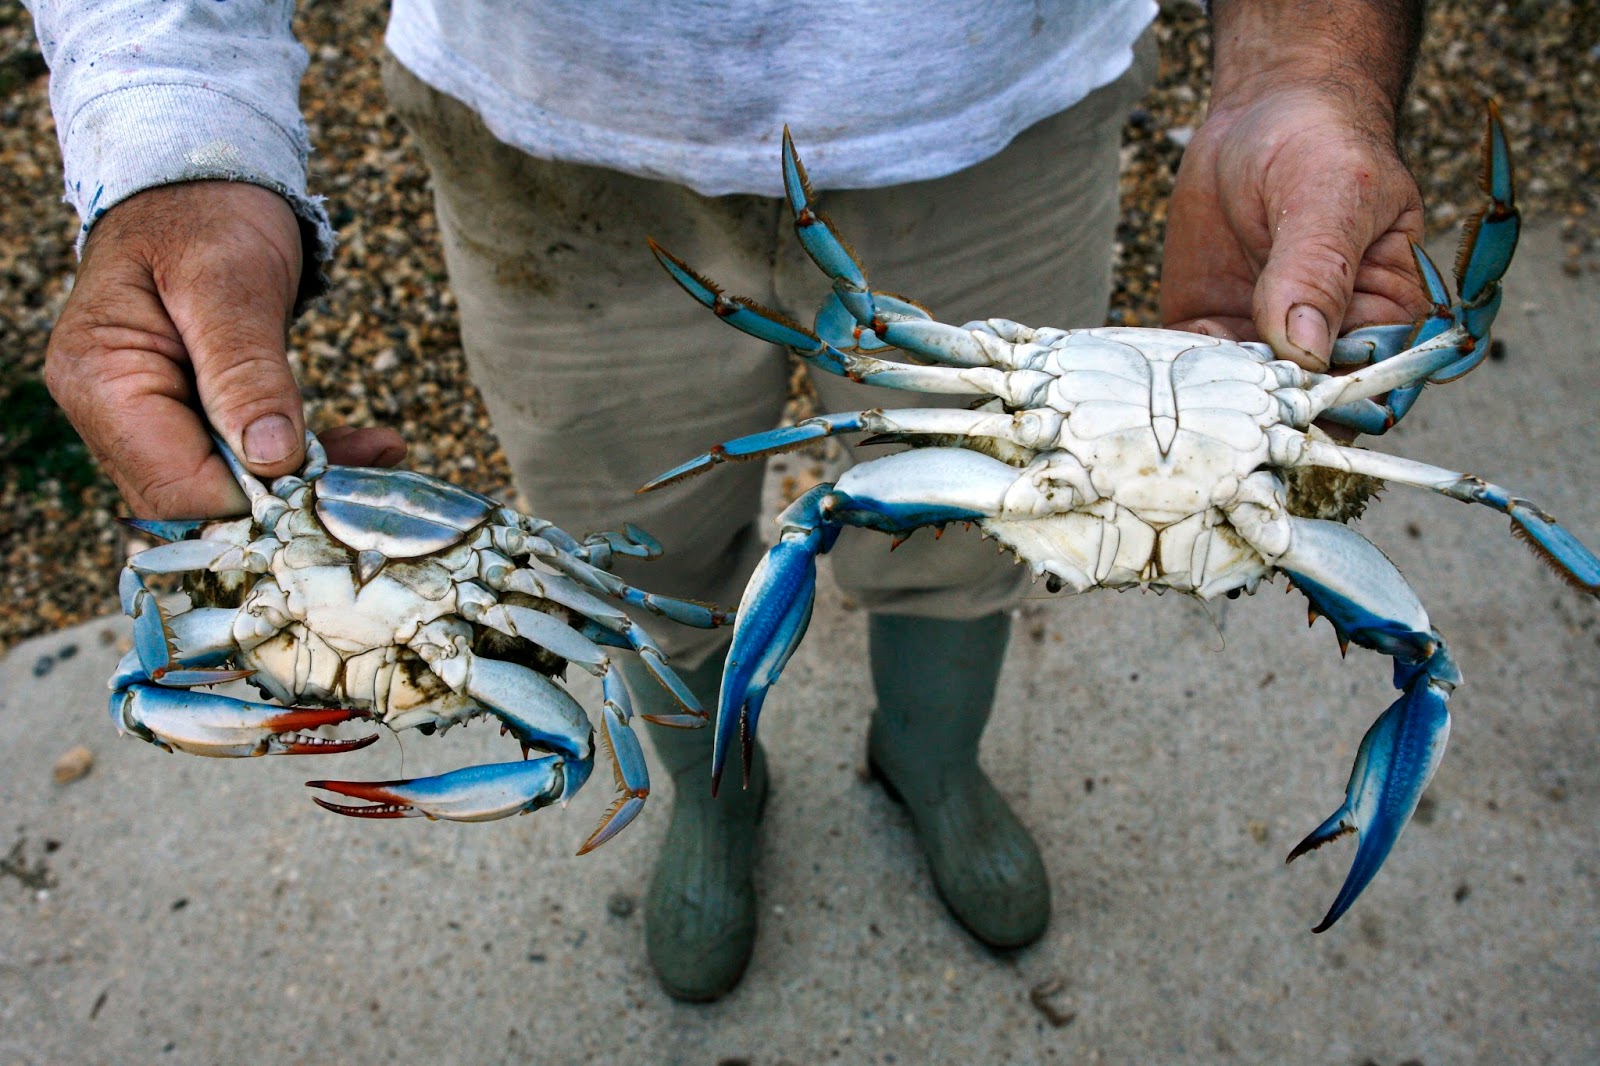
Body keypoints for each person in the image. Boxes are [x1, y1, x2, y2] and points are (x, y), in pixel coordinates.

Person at [27, 0, 1429, 1002]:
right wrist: (177, 136)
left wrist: (1310, 63)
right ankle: (713, 786)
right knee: (625, 562)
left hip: (997, 107)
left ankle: (927, 761)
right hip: (548, 127)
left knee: (989, 531)